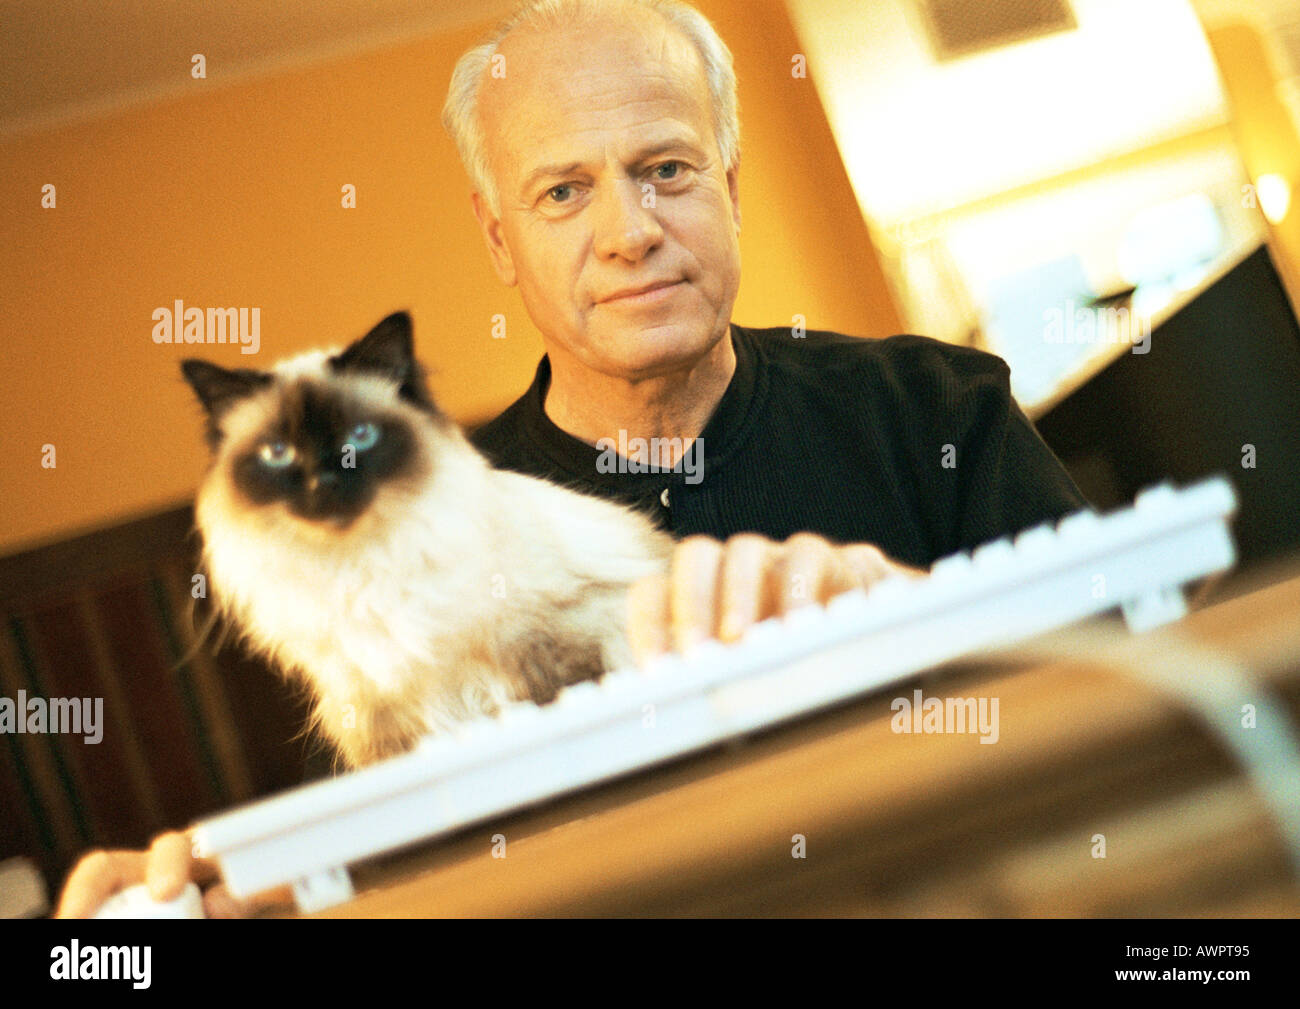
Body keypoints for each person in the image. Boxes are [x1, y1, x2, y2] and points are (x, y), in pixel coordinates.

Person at [56, 0, 1085, 918]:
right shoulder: (396, 520)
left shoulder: (935, 404)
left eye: (666, 170)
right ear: (499, 241)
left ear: (728, 187)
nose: (628, 232)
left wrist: (918, 620)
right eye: (562, 193)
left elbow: (1139, 673)